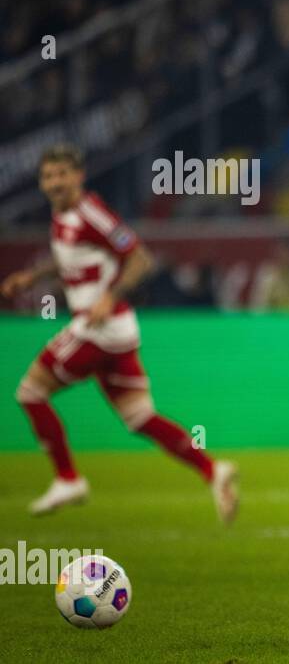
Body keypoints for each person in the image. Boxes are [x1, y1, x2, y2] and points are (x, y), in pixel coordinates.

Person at [1, 144, 239, 523]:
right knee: (139, 417)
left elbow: (140, 258)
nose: (55, 183)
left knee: (30, 392)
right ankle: (213, 470)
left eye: (62, 174)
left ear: (79, 176)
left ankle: (68, 478)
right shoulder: (62, 217)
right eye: (48, 176)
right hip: (114, 333)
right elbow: (69, 258)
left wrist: (109, 298)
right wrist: (32, 277)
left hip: (100, 328)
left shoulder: (92, 214)